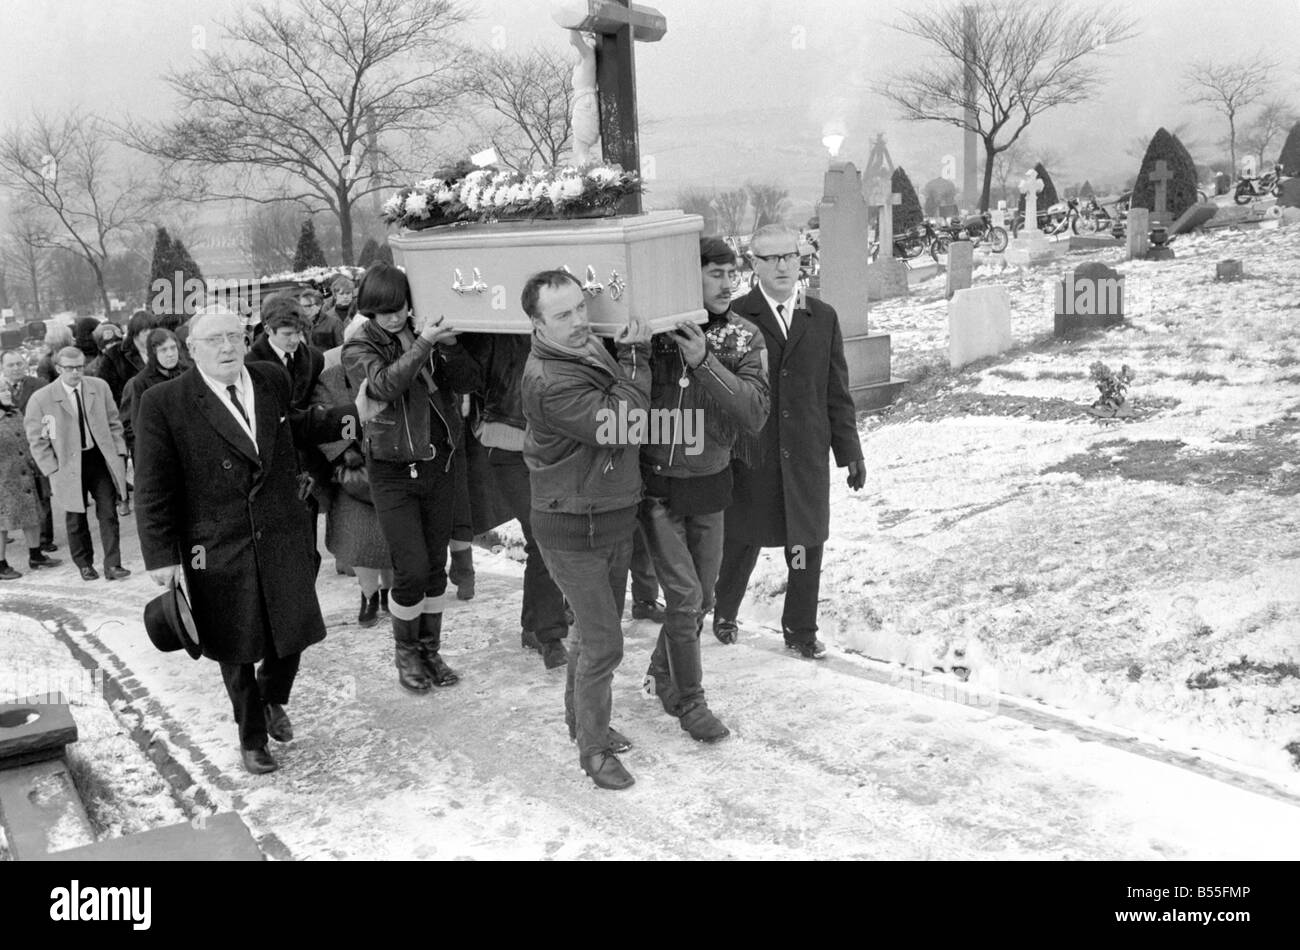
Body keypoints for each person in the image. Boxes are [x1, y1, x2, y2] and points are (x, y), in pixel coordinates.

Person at [133, 307, 355, 775]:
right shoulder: (163, 403)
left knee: (292, 629)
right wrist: (161, 555)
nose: (228, 347)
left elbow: (293, 424)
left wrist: (351, 416)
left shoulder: (269, 377)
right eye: (214, 340)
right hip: (214, 543)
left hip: (282, 528)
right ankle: (251, 736)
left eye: (234, 336)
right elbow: (154, 486)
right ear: (192, 350)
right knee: (235, 645)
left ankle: (273, 696)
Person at [520, 269, 651, 790]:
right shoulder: (548, 380)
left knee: (590, 636)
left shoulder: (586, 348)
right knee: (604, 643)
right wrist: (637, 360)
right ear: (537, 323)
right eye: (563, 315)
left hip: (610, 514)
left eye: (580, 308)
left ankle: (581, 722)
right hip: (572, 527)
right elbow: (623, 423)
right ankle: (593, 754)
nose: (579, 322)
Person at [713, 224, 866, 659]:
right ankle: (725, 610)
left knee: (804, 543)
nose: (782, 266)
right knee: (743, 537)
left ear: (801, 260)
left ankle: (800, 628)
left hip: (804, 453)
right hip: (753, 453)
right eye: (771, 258)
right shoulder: (736, 318)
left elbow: (836, 391)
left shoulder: (823, 317)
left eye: (789, 256)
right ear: (753, 265)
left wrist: (849, 450)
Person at [639, 237, 769, 742]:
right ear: (685, 275)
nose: (727, 283)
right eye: (714, 273)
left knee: (702, 597)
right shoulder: (652, 335)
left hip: (712, 484)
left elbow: (754, 413)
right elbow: (623, 410)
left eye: (731, 272)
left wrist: (704, 363)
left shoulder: (742, 337)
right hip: (658, 489)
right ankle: (691, 703)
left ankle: (662, 671)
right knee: (685, 594)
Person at [341, 262, 483, 695]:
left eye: (400, 308)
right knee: (411, 569)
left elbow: (469, 381)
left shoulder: (426, 329)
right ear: (368, 311)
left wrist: (451, 346)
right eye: (383, 312)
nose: (394, 318)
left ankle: (430, 649)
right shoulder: (358, 346)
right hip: (392, 470)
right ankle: (406, 655)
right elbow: (384, 386)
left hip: (438, 463)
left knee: (435, 567)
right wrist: (422, 343)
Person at [461, 332, 571, 670]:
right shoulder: (494, 325)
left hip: (558, 445)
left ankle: (535, 624)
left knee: (553, 535)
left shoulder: (562, 322)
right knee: (543, 534)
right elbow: (467, 376)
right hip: (509, 445)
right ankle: (548, 633)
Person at [24, 346, 131, 582]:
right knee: (75, 517)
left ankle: (113, 564)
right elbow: (38, 439)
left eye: (80, 367)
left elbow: (114, 423)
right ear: (59, 368)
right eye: (70, 368)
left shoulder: (98, 387)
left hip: (98, 459)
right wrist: (52, 468)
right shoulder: (42, 399)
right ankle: (84, 564)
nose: (76, 372)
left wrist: (119, 452)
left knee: (108, 512)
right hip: (67, 463)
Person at [312, 323, 393, 626]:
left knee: (393, 538)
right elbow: (321, 416)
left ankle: (390, 592)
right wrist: (346, 447)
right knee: (361, 543)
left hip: (390, 465)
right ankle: (368, 595)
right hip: (353, 475)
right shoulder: (330, 379)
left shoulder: (388, 374)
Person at [0, 374, 61, 579]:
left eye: (6, 389)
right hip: (4, 479)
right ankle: (1, 565)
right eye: (1, 391)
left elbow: (28, 437)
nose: (7, 393)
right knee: (2, 524)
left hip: (25, 475)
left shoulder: (15, 413)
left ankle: (36, 555)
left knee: (32, 515)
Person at [247, 295, 324, 411]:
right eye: (287, 334)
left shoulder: (315, 358)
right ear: (268, 330)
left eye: (298, 332)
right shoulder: (250, 365)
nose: (295, 340)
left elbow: (318, 398)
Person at [119, 329, 185, 451]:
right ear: (153, 353)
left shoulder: (187, 372)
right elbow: (138, 424)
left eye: (173, 348)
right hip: (161, 446)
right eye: (163, 350)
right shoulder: (142, 381)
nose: (170, 354)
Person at [93, 310, 153, 407]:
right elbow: (102, 389)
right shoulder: (114, 355)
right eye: (145, 330)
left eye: (152, 330)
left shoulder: (158, 350)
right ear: (135, 332)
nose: (149, 334)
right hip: (127, 410)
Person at [299, 286, 344, 351]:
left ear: (319, 306)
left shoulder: (334, 323)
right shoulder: (299, 324)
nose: (303, 309)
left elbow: (341, 348)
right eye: (301, 306)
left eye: (307, 306)